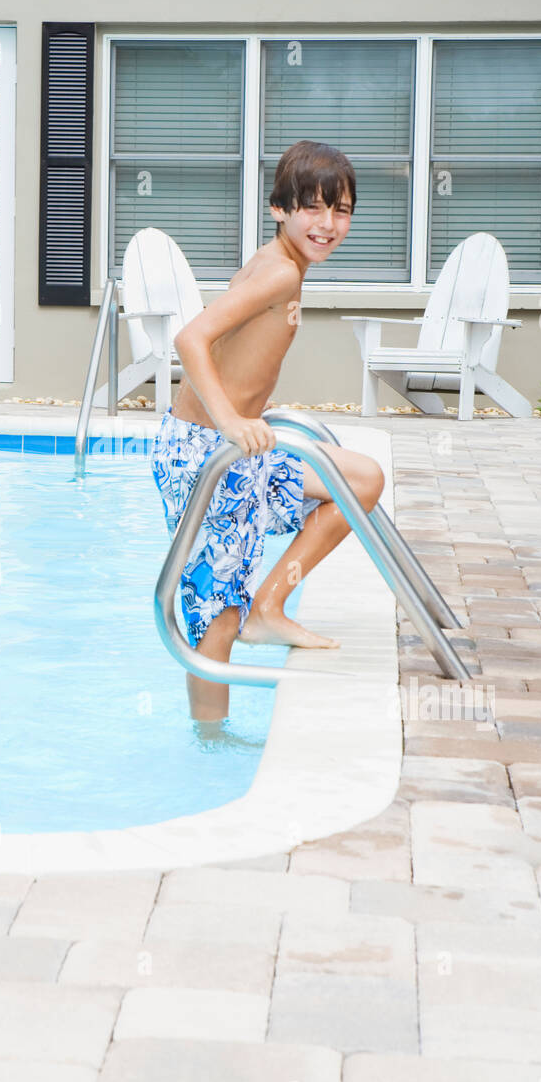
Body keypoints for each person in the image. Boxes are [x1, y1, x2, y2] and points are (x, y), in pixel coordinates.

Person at [150, 139, 386, 722]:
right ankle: (210, 740)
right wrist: (231, 418)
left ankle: (270, 605)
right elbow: (191, 339)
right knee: (216, 613)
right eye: (313, 207)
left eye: (342, 210)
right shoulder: (281, 272)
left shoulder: (280, 264)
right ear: (280, 208)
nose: (328, 224)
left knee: (361, 479)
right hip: (209, 451)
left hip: (234, 447)